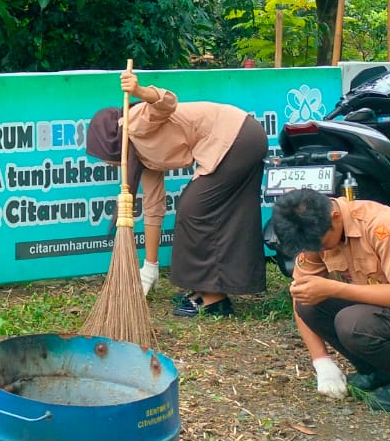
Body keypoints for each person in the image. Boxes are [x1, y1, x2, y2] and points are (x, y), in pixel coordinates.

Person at [85, 68, 267, 316]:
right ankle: (212, 289)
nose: (108, 164)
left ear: (111, 142)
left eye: (105, 157)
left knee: (193, 209)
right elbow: (154, 207)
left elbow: (167, 102)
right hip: (235, 139)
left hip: (237, 137)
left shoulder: (133, 123)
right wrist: (150, 267)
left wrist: (139, 91)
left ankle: (213, 297)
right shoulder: (140, 157)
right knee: (216, 213)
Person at [271, 189, 390, 413]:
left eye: (322, 244)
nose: (318, 250)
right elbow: (300, 294)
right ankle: (380, 372)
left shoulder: (381, 225)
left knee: (353, 322)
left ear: (335, 217)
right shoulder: (317, 235)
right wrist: (322, 363)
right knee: (310, 303)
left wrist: (334, 288)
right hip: (388, 315)